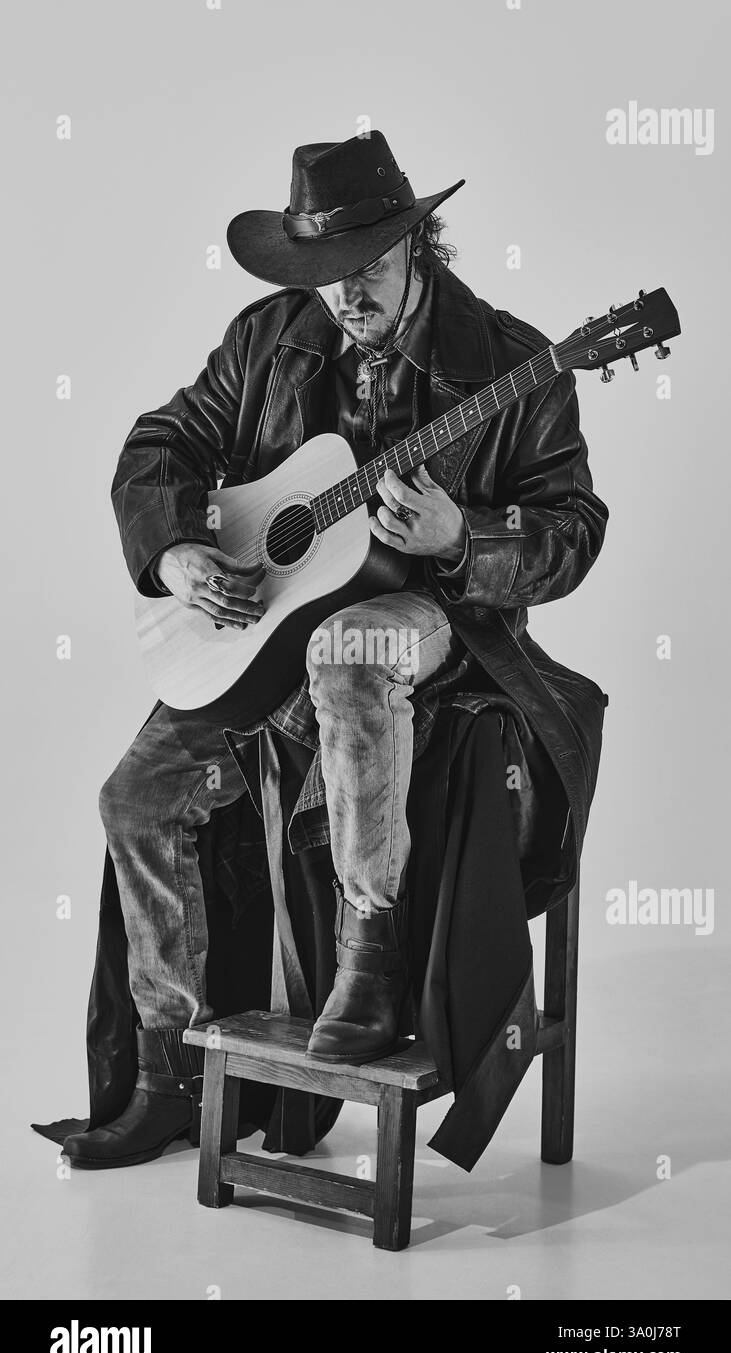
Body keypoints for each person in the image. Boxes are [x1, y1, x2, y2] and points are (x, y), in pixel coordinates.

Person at [60, 130, 608, 1169]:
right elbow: (159, 444)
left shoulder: (512, 363)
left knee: (351, 642)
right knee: (134, 798)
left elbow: (571, 530)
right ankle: (172, 1075)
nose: (343, 299)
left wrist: (466, 538)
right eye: (321, 278)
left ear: (419, 247)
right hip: (267, 640)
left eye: (364, 272)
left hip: (432, 624)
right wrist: (176, 550)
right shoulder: (270, 337)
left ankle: (369, 954)